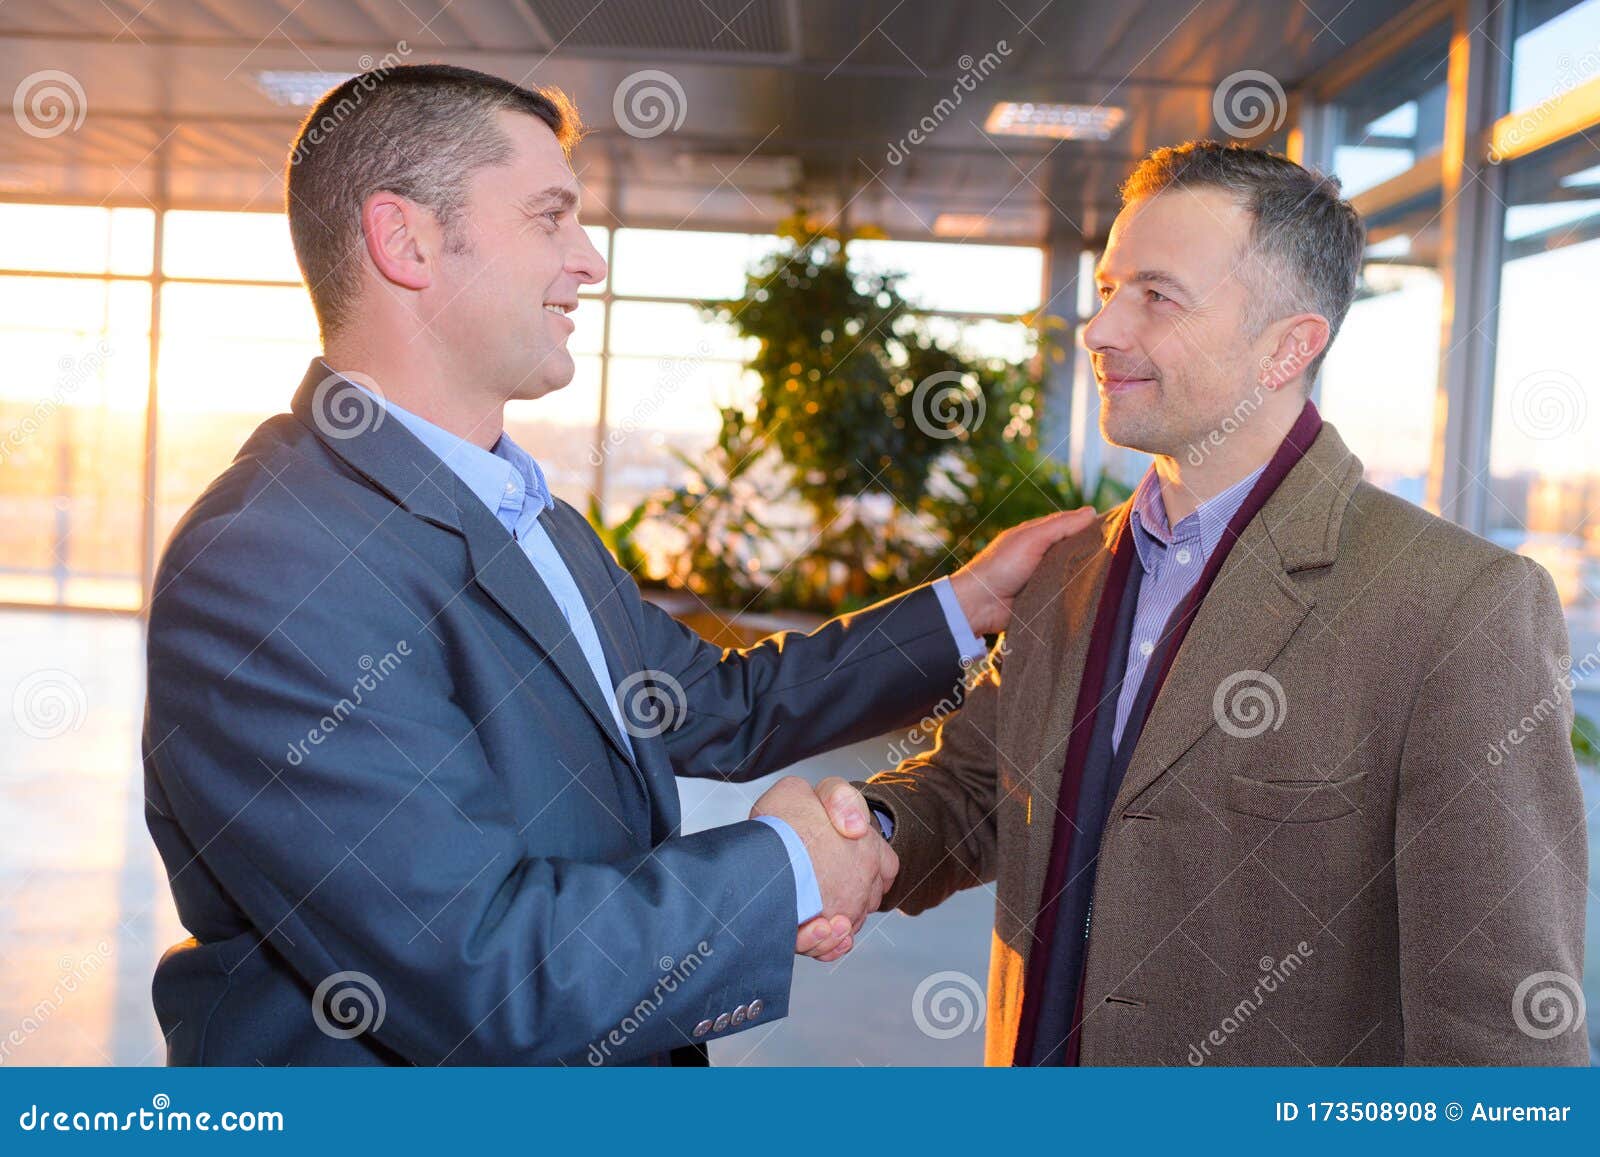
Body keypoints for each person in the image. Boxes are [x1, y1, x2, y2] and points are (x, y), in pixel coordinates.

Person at [141, 64, 1093, 1066]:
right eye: (549, 217)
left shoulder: (517, 504)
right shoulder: (272, 565)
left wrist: (964, 601)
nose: (587, 259)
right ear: (405, 239)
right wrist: (790, 866)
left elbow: (713, 701)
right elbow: (485, 975)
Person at [834, 141, 1589, 1065]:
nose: (1102, 328)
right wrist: (866, 835)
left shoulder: (1457, 607)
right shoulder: (1066, 566)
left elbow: (1497, 1024)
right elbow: (981, 793)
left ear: (1289, 347)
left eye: (1156, 295)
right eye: (1108, 288)